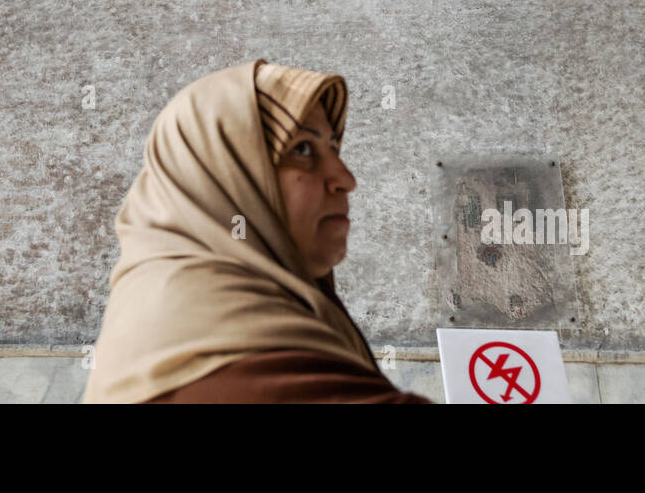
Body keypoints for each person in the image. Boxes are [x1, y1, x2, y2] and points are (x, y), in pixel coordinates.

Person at [81, 59, 430, 403]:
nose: (345, 179)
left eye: (334, 149)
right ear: (223, 176)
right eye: (302, 149)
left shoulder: (167, 303)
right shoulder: (233, 352)